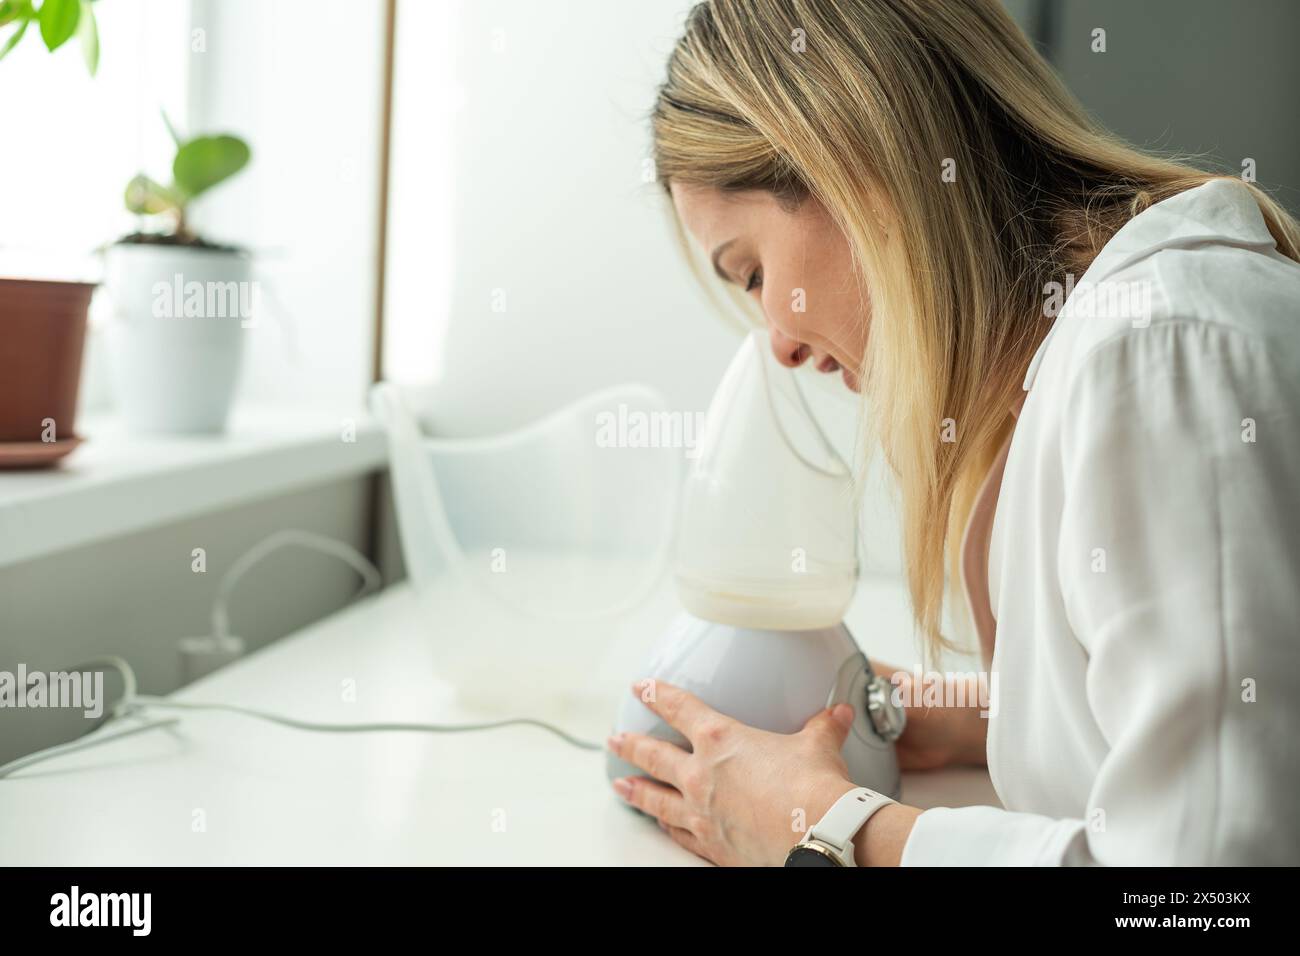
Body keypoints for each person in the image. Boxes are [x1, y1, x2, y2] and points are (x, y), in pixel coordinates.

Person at [604, 0, 1300, 866]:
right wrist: (990, 714)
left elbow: (1203, 897)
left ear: (855, 156)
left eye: (751, 269)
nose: (777, 345)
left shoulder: (1161, 357)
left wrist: (831, 830)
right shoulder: (1089, 362)